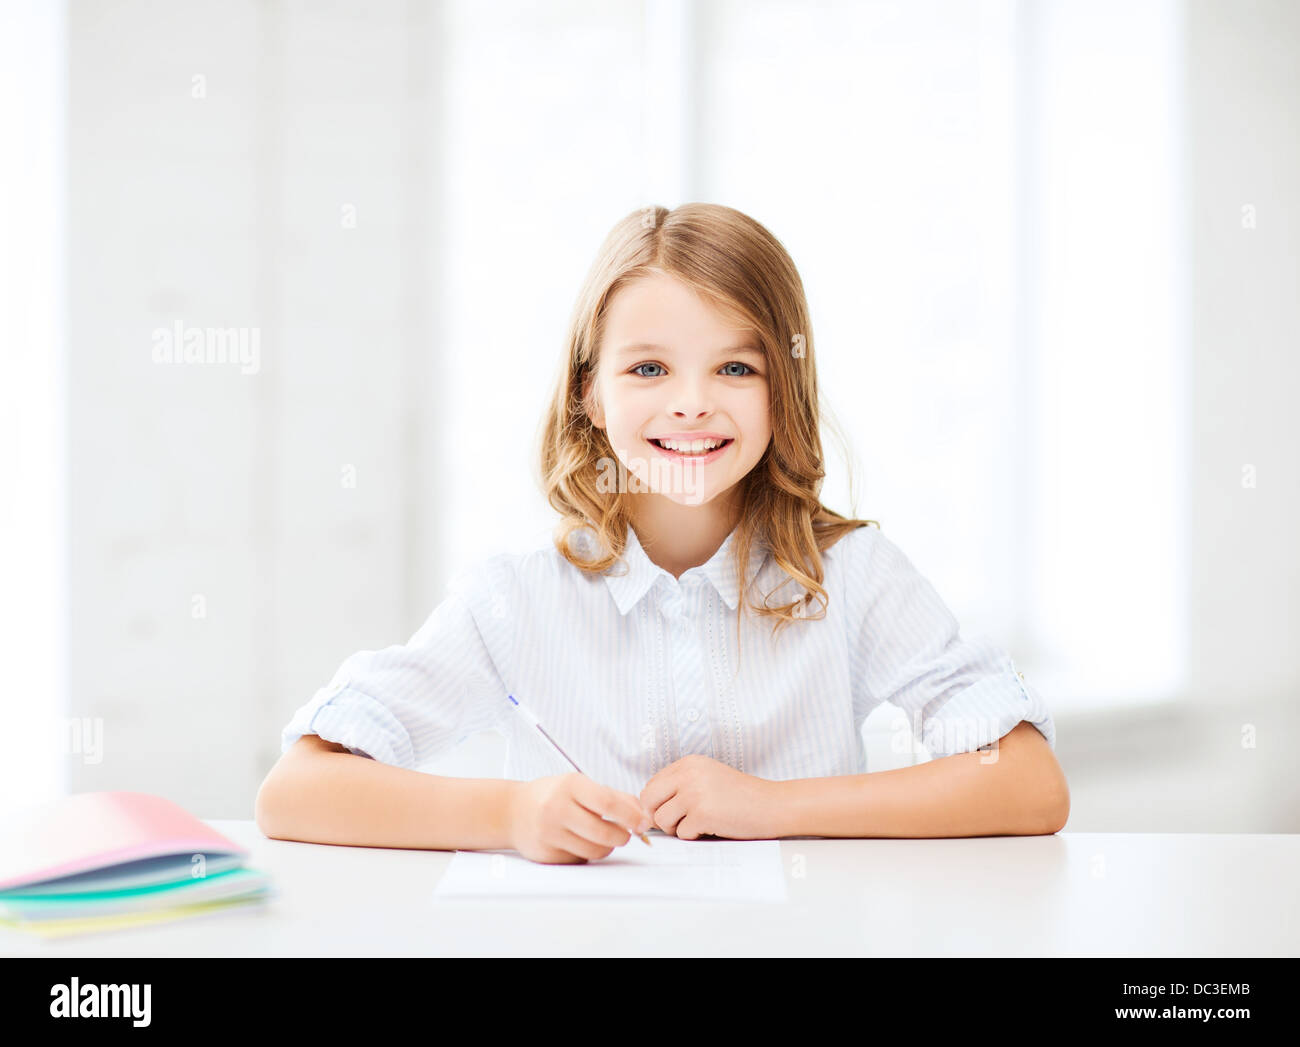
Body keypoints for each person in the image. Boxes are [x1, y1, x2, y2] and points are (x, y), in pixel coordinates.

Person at [255, 203, 1068, 864]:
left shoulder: (851, 576)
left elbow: (1029, 783)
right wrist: (512, 812)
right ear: (590, 394)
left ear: (785, 392)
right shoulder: (514, 598)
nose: (691, 403)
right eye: (649, 369)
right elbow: (295, 792)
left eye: (736, 368)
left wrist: (769, 807)